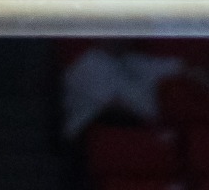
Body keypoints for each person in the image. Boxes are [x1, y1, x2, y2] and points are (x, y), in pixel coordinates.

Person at [61, 39, 189, 139]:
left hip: (142, 134)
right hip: (98, 141)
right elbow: (117, 107)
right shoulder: (86, 66)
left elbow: (180, 68)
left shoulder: (132, 61)